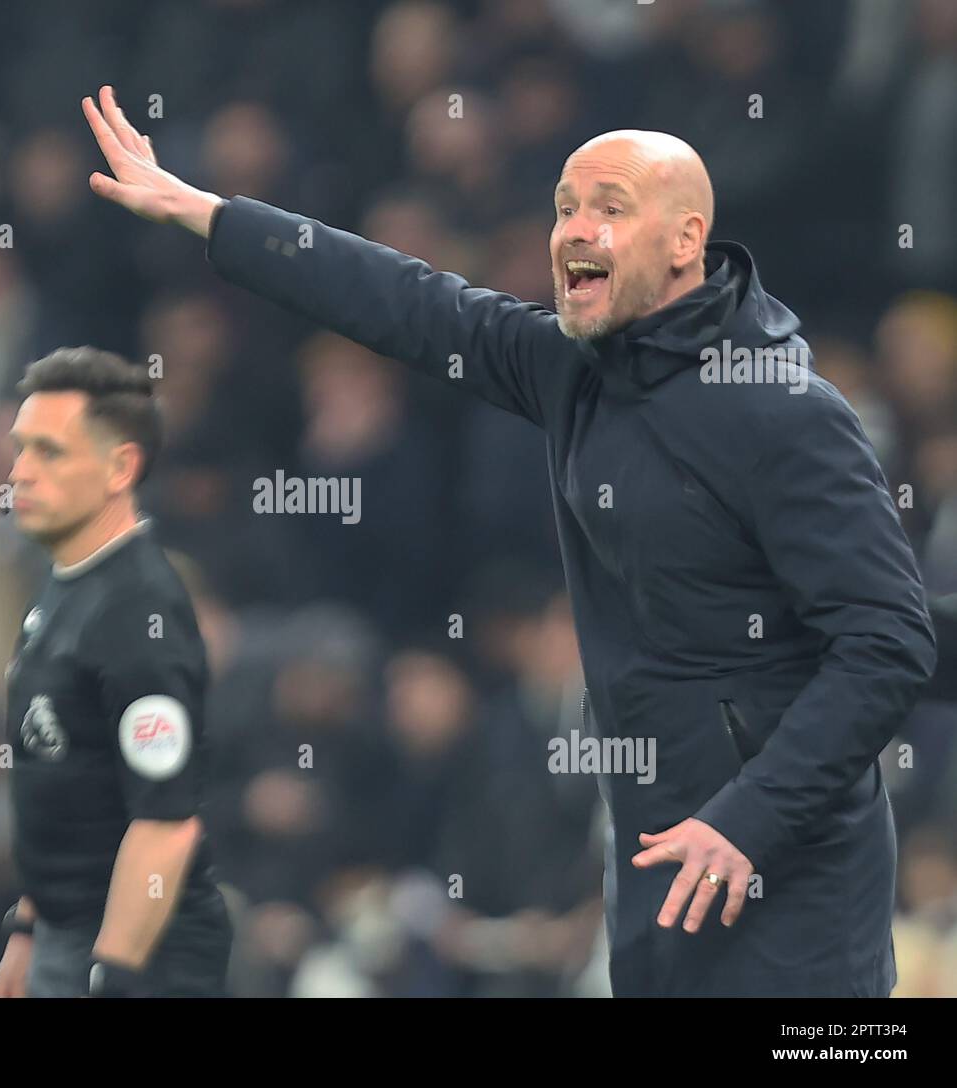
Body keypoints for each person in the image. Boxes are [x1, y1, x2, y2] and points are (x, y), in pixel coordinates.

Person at [79, 86, 937, 997]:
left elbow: (888, 643)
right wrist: (208, 214)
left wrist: (748, 820)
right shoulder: (571, 369)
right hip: (655, 864)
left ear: (687, 241)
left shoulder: (788, 413)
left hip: (791, 879)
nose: (574, 230)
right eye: (564, 208)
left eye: (610, 208)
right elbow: (403, 300)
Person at [0, 346, 231, 998]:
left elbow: (165, 821)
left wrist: (115, 977)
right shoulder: (64, 585)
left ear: (121, 466)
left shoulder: (138, 611)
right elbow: (64, 780)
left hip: (145, 949)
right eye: (20, 449)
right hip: (69, 934)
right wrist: (30, 930)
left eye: (49, 452)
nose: (20, 473)